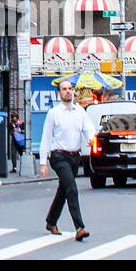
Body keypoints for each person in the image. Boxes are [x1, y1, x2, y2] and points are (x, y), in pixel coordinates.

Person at [39, 78, 95, 241]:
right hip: (59, 156)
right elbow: (46, 138)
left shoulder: (80, 111)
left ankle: (51, 221)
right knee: (71, 188)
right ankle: (79, 227)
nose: (68, 91)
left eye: (70, 88)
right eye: (64, 89)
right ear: (59, 93)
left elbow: (88, 128)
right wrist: (43, 162)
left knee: (63, 190)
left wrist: (91, 138)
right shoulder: (53, 113)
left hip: (74, 157)